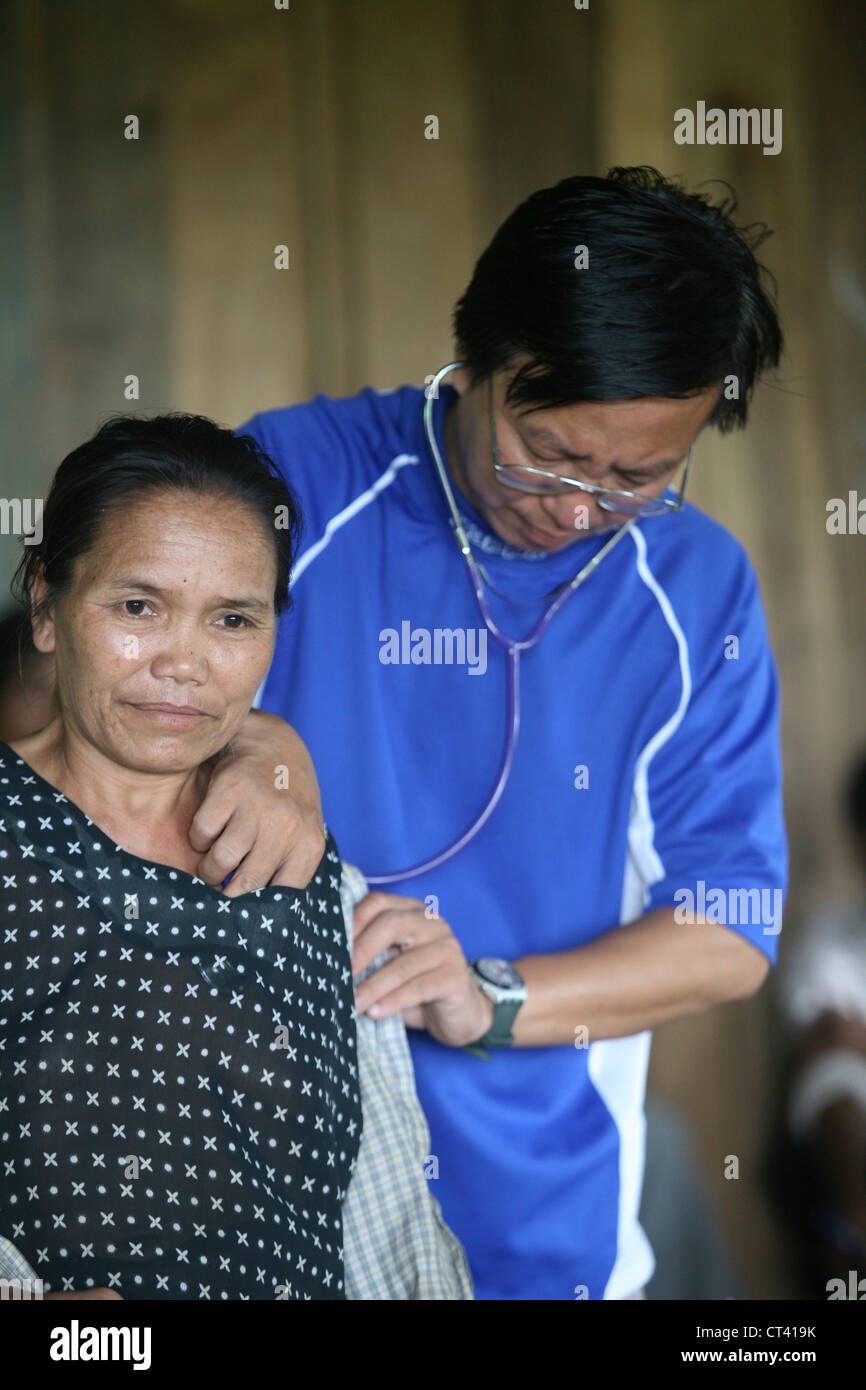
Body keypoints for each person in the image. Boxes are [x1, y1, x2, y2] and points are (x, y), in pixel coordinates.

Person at [224, 166, 788, 1302]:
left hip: (537, 1237)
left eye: (640, 476)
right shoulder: (295, 483)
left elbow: (730, 927)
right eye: (551, 453)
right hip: (255, 1207)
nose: (579, 510)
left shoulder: (692, 590)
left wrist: (496, 999)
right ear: (476, 361)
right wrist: (251, 733)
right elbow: (58, 719)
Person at [0, 413, 471, 1301]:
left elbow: (384, 1217)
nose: (185, 664)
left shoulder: (305, 875)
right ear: (46, 606)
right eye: (137, 607)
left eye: (234, 619)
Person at [767, 750, 866, 1296]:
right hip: (846, 1157)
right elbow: (832, 1044)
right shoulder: (833, 945)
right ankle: (855, 1231)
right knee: (831, 1074)